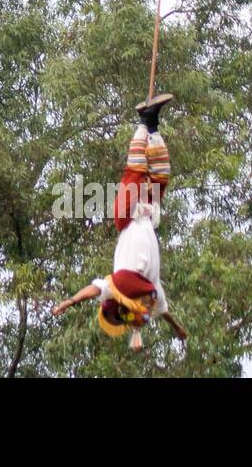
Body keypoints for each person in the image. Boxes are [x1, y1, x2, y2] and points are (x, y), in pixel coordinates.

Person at [52, 94, 189, 350]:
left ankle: (142, 121)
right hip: (147, 210)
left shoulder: (116, 288)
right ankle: (152, 123)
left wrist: (70, 302)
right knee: (160, 176)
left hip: (126, 216)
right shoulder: (153, 291)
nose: (145, 308)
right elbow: (162, 311)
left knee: (135, 171)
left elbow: (93, 291)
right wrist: (177, 327)